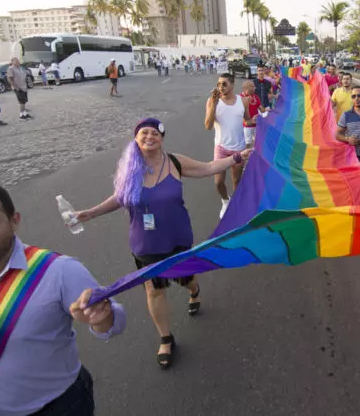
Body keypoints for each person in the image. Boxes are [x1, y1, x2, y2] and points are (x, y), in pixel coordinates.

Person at [75, 118, 249, 370]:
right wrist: (91, 212)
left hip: (178, 237)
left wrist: (235, 158)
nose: (149, 137)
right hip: (146, 243)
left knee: (186, 278)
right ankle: (166, 338)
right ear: (136, 138)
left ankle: (194, 291)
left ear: (162, 138)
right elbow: (119, 198)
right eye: (144, 133)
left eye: (154, 133)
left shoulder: (175, 162)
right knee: (154, 290)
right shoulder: (131, 168)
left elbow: (208, 167)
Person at [0, 182, 126, 415]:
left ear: (14, 221)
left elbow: (116, 322)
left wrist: (101, 318)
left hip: (56, 407)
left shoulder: (58, 271)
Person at [204, 73, 250, 219]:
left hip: (239, 148)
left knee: (236, 180)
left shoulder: (242, 101)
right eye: (218, 84)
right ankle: (225, 201)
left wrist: (256, 120)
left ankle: (236, 206)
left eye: (224, 84)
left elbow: (247, 120)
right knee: (218, 182)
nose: (221, 87)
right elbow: (208, 126)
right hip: (221, 148)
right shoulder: (212, 101)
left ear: (232, 84)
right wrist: (214, 104)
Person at [241, 79, 264, 149]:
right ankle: (246, 158)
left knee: (257, 143)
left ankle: (254, 156)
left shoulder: (255, 97)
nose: (255, 88)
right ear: (247, 88)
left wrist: (268, 110)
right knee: (247, 144)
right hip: (246, 126)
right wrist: (246, 121)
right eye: (253, 86)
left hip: (256, 125)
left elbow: (261, 109)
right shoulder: (240, 98)